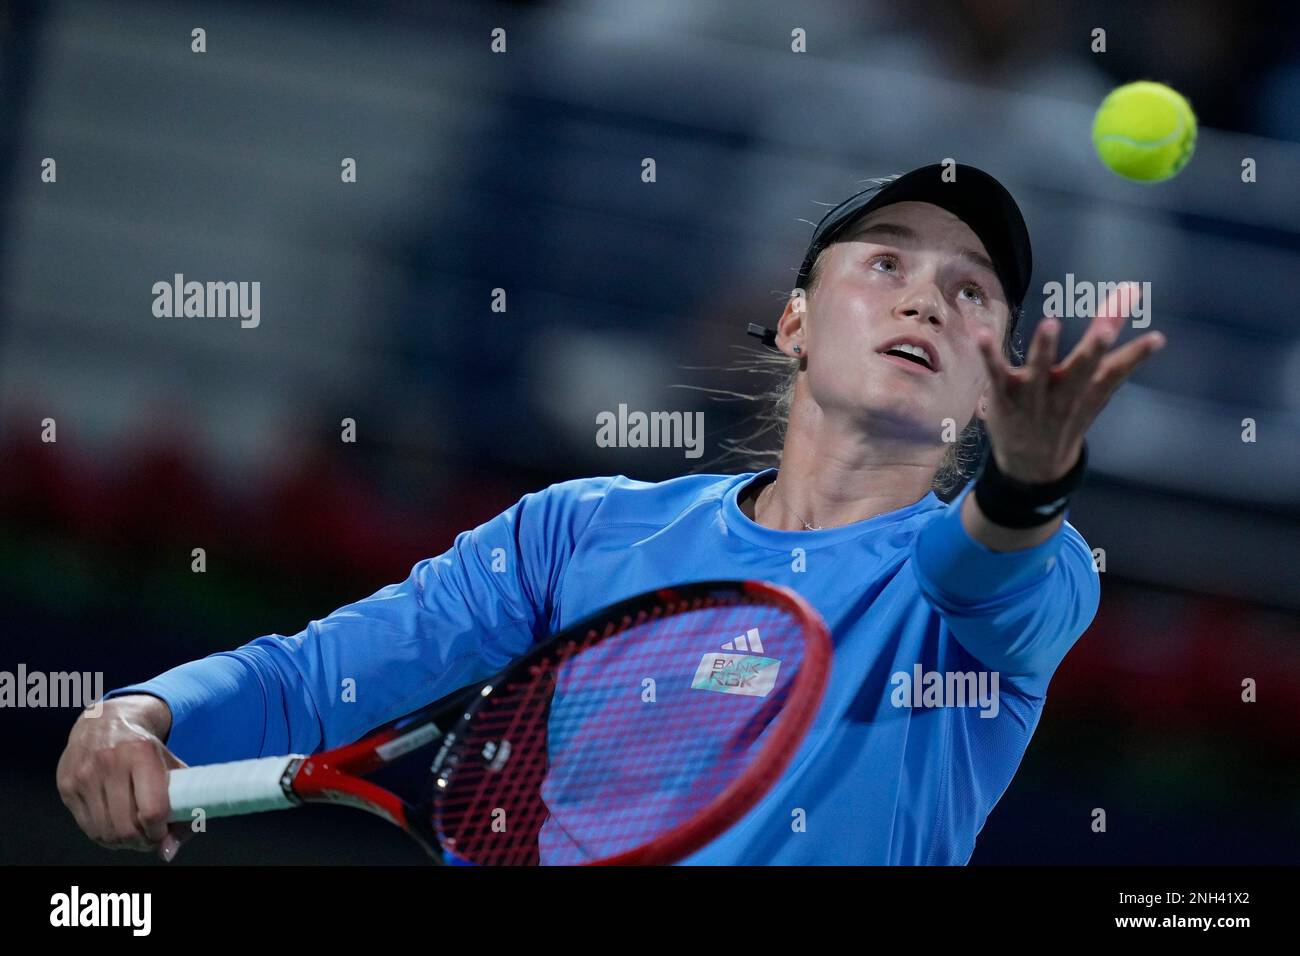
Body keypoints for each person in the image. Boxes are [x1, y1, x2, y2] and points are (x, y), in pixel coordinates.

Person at [57, 163, 1165, 864]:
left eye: (971, 291)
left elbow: (985, 570)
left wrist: (1027, 478)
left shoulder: (1024, 571)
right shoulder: (579, 532)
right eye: (885, 263)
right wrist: (144, 712)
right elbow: (315, 680)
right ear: (791, 321)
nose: (927, 295)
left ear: (988, 385)